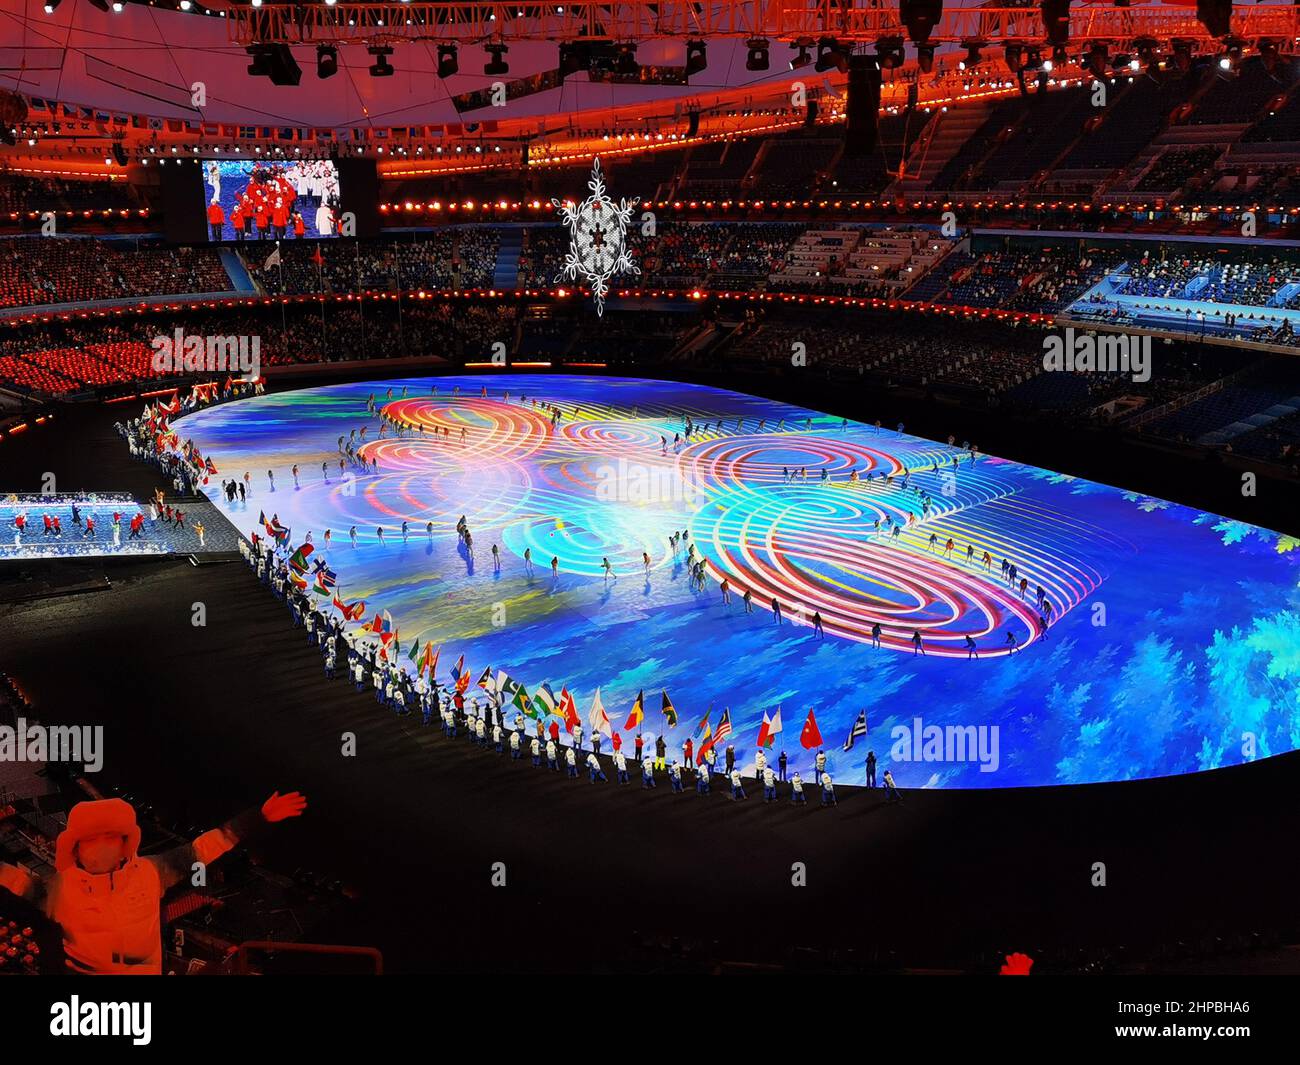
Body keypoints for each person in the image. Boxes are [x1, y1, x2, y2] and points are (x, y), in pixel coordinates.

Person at [0, 791, 306, 974]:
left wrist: (258, 817)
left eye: (110, 836)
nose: (102, 845)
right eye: (93, 839)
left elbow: (201, 849)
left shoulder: (150, 873)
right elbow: (11, 878)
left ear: (124, 845)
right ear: (77, 848)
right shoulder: (57, 889)